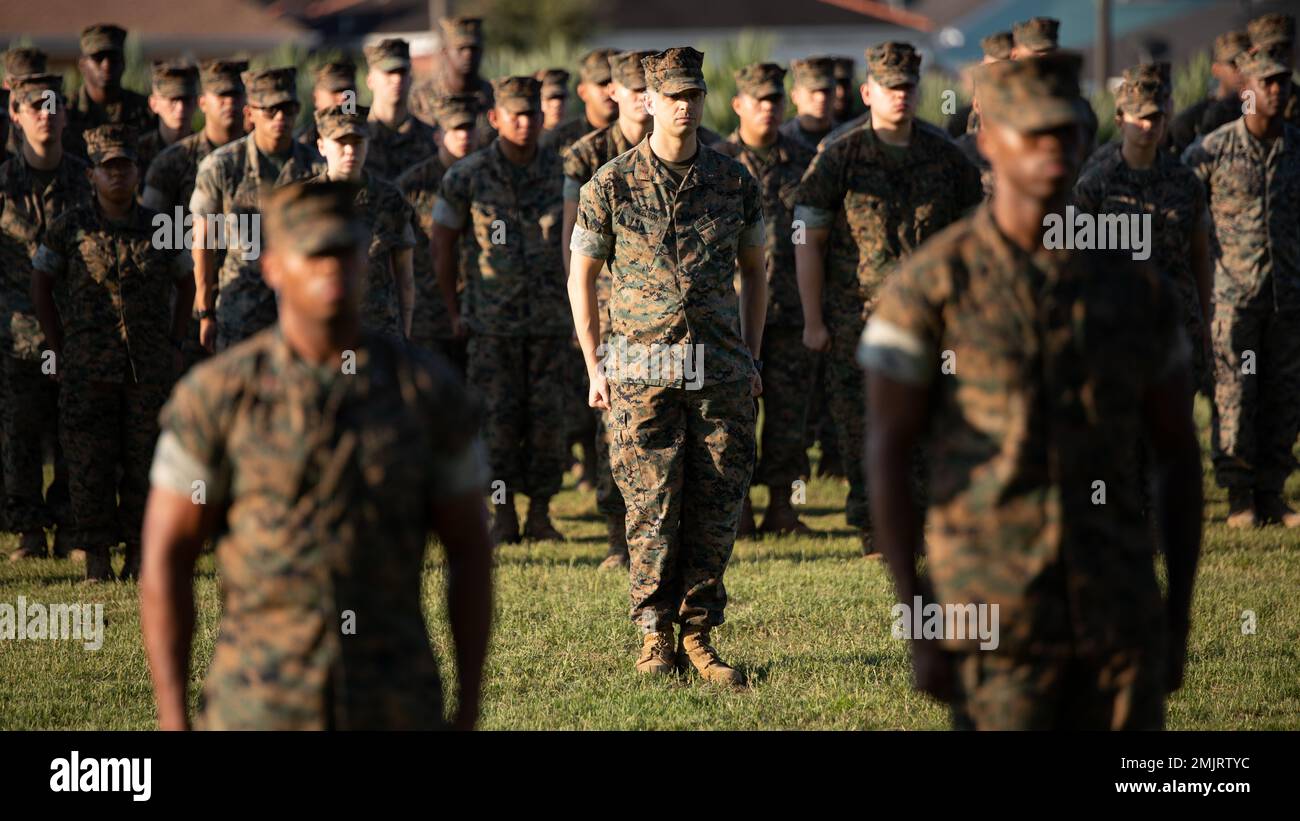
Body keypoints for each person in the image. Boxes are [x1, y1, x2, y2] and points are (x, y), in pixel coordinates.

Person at [862, 52, 1203, 731]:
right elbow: (889, 454)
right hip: (994, 623)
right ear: (988, 138)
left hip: (1116, 616)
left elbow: (1176, 453)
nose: (1055, 149)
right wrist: (918, 616)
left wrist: (1177, 612)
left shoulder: (1133, 291)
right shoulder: (931, 287)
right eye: (1033, 132)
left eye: (1068, 131)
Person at [140, 179, 492, 730]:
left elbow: (469, 549)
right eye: (316, 254)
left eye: (346, 252)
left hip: (393, 705)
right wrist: (171, 717)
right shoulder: (220, 397)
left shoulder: (425, 393)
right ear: (274, 266)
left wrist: (468, 707)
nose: (335, 269)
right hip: (257, 709)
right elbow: (167, 557)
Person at [569, 47, 766, 685]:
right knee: (651, 507)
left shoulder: (734, 181)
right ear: (646, 101)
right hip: (639, 371)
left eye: (693, 95)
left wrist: (751, 354)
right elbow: (582, 278)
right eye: (671, 96)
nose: (684, 106)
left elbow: (757, 273)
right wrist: (597, 367)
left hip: (717, 372)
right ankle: (654, 637)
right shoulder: (610, 182)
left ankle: (700, 635)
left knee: (715, 504)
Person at [794, 41, 981, 555]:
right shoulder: (840, 156)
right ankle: (874, 525)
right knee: (861, 427)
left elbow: (973, 242)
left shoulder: (946, 157)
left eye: (908, 87)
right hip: (860, 319)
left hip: (933, 322)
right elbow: (808, 239)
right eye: (890, 87)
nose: (900, 95)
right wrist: (814, 320)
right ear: (867, 91)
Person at [31, 124, 193, 582]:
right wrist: (56, 346)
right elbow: (41, 283)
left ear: (138, 172)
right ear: (92, 176)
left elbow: (187, 283)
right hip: (88, 371)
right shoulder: (70, 228)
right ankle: (97, 558)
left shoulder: (161, 227)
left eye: (125, 166)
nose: (117, 175)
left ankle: (142, 556)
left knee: (147, 465)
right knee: (88, 466)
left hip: (149, 371)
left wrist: (177, 342)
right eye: (108, 168)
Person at [432, 76, 570, 544]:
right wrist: (453, 309)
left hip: (551, 322)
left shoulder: (563, 172)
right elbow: (442, 245)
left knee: (549, 421)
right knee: (496, 423)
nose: (525, 123)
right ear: (494, 118)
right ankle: (502, 512)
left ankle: (542, 514)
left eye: (532, 113)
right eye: (515, 114)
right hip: (490, 325)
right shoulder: (466, 176)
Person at [1184, 45, 1300, 529]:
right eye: (1265, 83)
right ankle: (1239, 499)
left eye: (1281, 82)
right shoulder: (1212, 150)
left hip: (1287, 297)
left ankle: (1273, 493)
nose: (1275, 91)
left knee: (1284, 394)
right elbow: (1182, 211)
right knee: (1234, 396)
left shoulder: (1296, 148)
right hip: (1232, 298)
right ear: (1246, 90)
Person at [559, 49, 656, 568]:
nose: (642, 98)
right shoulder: (585, 155)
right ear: (613, 92)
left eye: (649, 89)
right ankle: (617, 537)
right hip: (604, 303)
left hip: (662, 313)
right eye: (631, 88)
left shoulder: (681, 150)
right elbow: (572, 240)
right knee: (612, 422)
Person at [716, 63, 817, 536]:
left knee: (789, 416)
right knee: (734, 417)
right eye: (759, 100)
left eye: (776, 100)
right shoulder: (717, 162)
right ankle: (737, 512)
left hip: (792, 307)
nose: (769, 108)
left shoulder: (806, 158)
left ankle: (784, 507)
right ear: (738, 105)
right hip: (733, 312)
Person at [1075, 64, 1213, 395]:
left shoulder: (1185, 182)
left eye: (1155, 117)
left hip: (1177, 327)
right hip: (1117, 329)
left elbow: (1199, 256)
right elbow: (1076, 262)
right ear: (1120, 120)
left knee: (1173, 431)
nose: (1148, 126)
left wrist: (1208, 323)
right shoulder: (1096, 184)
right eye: (1139, 118)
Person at [1, 73, 87, 561]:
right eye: (34, 105)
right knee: (21, 435)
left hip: (75, 331)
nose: (45, 113)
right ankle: (28, 533)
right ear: (16, 114)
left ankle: (72, 527)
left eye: (53, 105)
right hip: (14, 334)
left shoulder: (85, 179)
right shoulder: (3, 184)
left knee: (75, 431)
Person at [190, 67, 318, 353]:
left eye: (288, 108)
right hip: (241, 313)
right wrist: (205, 311)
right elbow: (203, 242)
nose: (281, 118)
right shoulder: (222, 166)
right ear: (250, 113)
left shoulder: (317, 168)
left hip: (301, 310)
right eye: (271, 110)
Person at [142, 60, 248, 376]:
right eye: (220, 95)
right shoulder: (173, 162)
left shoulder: (256, 158)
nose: (229, 103)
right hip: (184, 304)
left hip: (248, 301)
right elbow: (151, 238)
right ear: (204, 102)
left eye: (235, 95)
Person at [306, 104, 416, 341]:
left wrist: (404, 333)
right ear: (322, 146)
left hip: (379, 332)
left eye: (357, 142)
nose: (350, 151)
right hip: (323, 331)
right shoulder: (305, 201)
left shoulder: (389, 198)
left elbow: (404, 274)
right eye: (341, 142)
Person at [398, 94, 479, 371]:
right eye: (455, 129)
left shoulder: (488, 177)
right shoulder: (413, 185)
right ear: (437, 136)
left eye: (468, 128)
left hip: (480, 309)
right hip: (429, 312)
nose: (463, 136)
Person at [64, 24, 155, 159]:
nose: (106, 65)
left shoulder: (146, 110)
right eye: (98, 58)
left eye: (114, 58)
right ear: (82, 64)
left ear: (124, 63)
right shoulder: (65, 110)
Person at [411, 16, 495, 147]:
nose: (468, 54)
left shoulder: (494, 96)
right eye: (460, 49)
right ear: (445, 52)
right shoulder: (422, 97)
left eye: (474, 49)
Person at [363, 38, 438, 182]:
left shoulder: (431, 141)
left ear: (411, 78)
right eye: (389, 72)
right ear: (370, 81)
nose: (397, 79)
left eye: (402, 72)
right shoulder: (356, 142)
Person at [1168, 31, 1248, 156]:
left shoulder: (1260, 110)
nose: (1242, 70)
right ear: (1216, 69)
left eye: (1247, 62)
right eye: (1234, 63)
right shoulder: (1190, 121)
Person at [540, 48, 618, 155]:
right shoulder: (558, 142)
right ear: (582, 92)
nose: (610, 90)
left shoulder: (644, 137)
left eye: (617, 82)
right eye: (602, 83)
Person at [136, 62, 199, 189]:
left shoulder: (206, 152)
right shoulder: (137, 154)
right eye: (173, 100)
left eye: (186, 100)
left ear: (197, 103)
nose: (180, 108)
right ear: (154, 104)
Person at [295, 61, 357, 159]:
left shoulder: (370, 137)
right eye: (336, 91)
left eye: (349, 90)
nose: (344, 97)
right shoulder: (301, 145)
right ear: (316, 98)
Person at [778, 56, 836, 151]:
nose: (821, 98)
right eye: (813, 91)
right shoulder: (780, 140)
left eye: (826, 90)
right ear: (795, 96)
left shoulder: (847, 137)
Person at [3, 47, 48, 156]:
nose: (30, 91)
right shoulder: (3, 123)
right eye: (23, 85)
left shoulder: (53, 118)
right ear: (7, 85)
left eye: (36, 85)